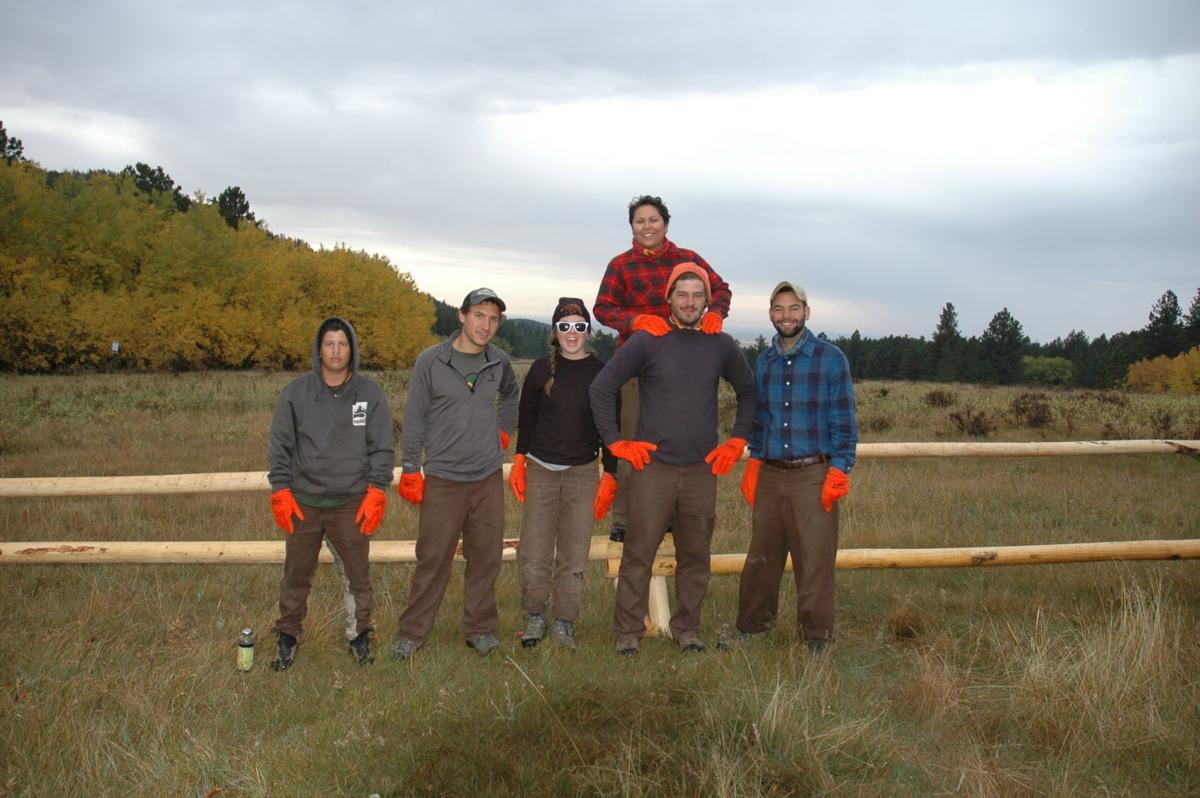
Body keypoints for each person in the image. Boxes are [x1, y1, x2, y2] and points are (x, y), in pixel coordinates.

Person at [590, 264, 756, 655]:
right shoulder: (648, 340)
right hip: (653, 470)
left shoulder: (721, 344)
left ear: (708, 302)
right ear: (668, 298)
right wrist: (616, 444)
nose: (690, 302)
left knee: (696, 556)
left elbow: (749, 390)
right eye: (682, 294)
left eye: (698, 295)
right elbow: (602, 388)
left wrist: (737, 441)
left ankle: (688, 629)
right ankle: (628, 632)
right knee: (638, 553)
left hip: (701, 470)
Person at [720, 281, 858, 658]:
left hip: (813, 473)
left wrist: (839, 469)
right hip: (770, 473)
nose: (786, 316)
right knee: (761, 556)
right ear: (770, 314)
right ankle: (753, 627)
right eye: (779, 309)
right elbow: (762, 421)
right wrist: (755, 463)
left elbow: (844, 422)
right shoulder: (764, 362)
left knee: (814, 558)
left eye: (794, 308)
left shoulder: (831, 359)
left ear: (807, 312)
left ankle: (815, 636)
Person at [391, 287, 519, 660]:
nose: (486, 325)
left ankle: (480, 629)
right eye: (479, 315)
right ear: (461, 316)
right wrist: (412, 468)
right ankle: (412, 634)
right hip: (444, 478)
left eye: (494, 318)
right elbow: (414, 418)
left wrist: (504, 431)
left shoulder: (499, 362)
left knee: (486, 558)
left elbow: (511, 396)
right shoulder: (431, 361)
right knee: (432, 558)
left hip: (486, 478)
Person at [267, 316, 394, 669]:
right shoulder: (296, 393)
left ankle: (360, 634)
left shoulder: (369, 394)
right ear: (319, 350)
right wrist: (281, 490)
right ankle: (288, 634)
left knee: (357, 575)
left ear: (351, 349)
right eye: (329, 344)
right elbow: (280, 446)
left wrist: (377, 490)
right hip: (303, 501)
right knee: (296, 574)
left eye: (342, 343)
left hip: (352, 502)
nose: (336, 351)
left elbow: (382, 447)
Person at [508, 298, 619, 650]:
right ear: (556, 331)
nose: (572, 333)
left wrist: (610, 474)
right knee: (535, 549)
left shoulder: (603, 373)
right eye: (565, 326)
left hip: (583, 472)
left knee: (574, 551)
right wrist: (521, 460)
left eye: (579, 326)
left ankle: (564, 620)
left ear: (588, 331)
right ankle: (535, 616)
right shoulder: (541, 370)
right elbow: (526, 419)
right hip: (541, 469)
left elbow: (610, 428)